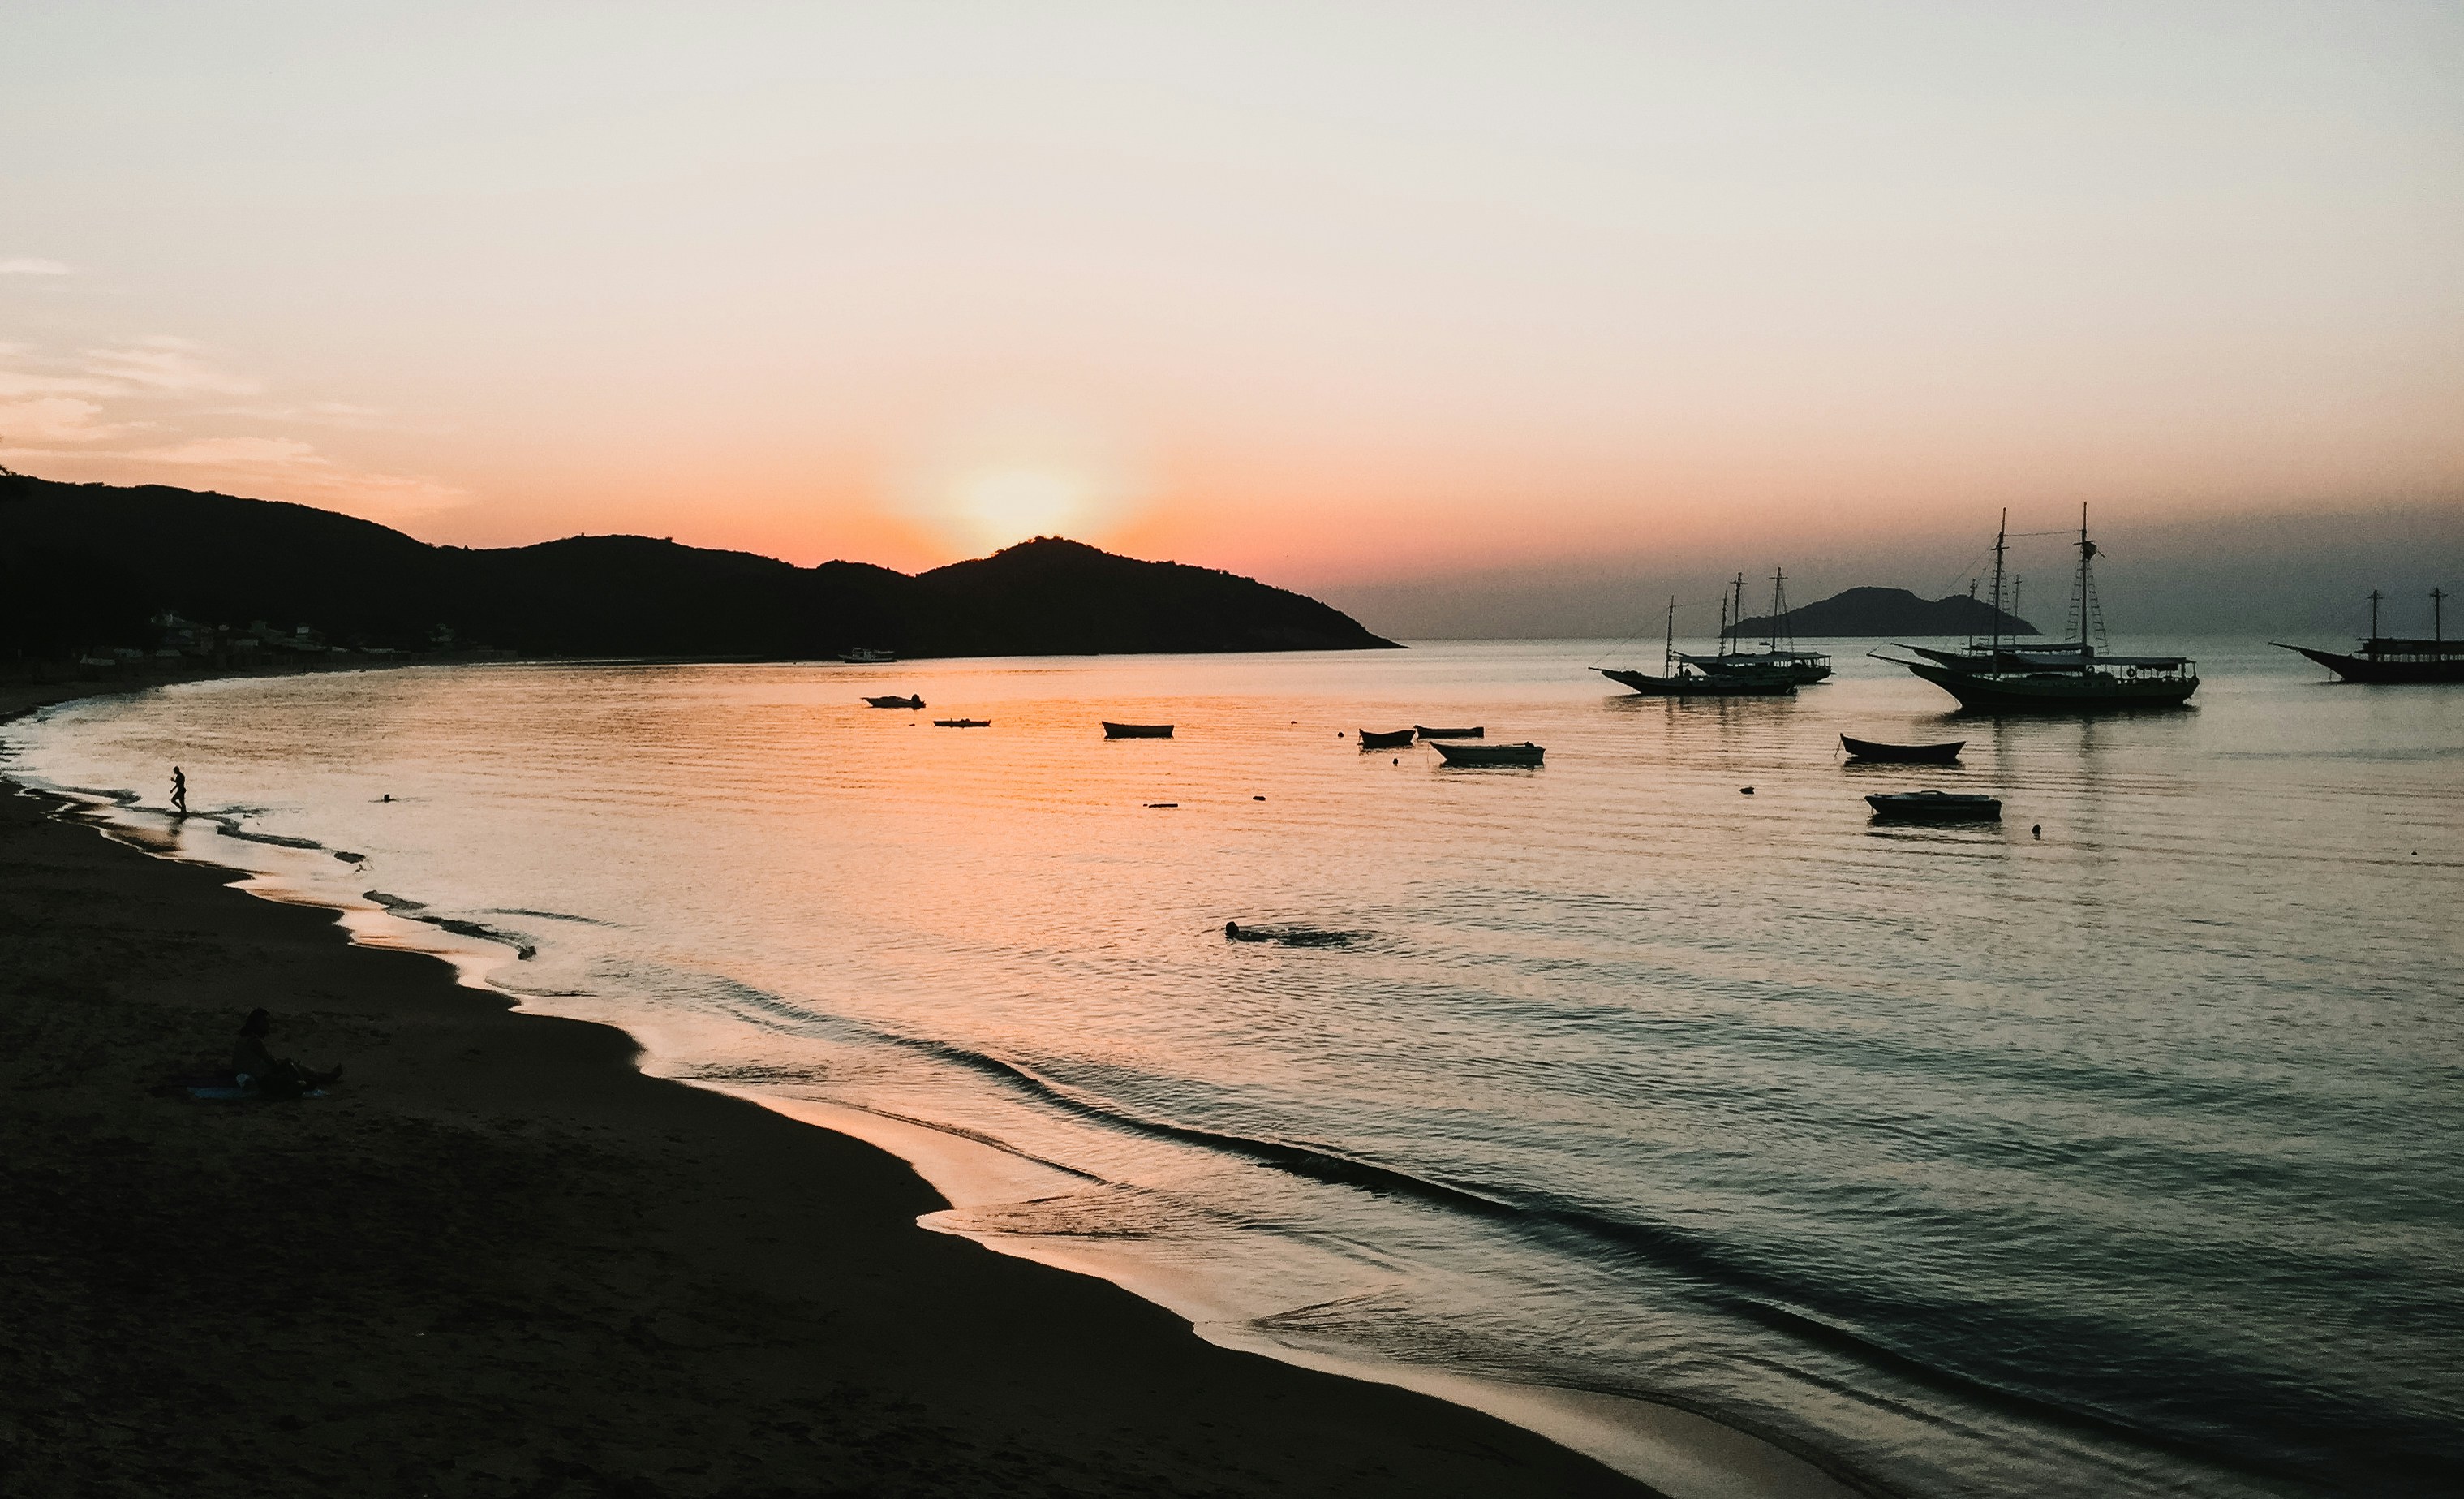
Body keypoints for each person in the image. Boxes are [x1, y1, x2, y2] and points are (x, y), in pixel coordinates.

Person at [232, 1008, 343, 1100]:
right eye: (265, 1022)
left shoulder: (243, 1039)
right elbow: (270, 1062)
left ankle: (319, 1076)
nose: (268, 1025)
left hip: (247, 1074)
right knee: (289, 1064)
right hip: (258, 1078)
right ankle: (320, 1077)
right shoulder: (254, 1041)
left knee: (289, 1065)